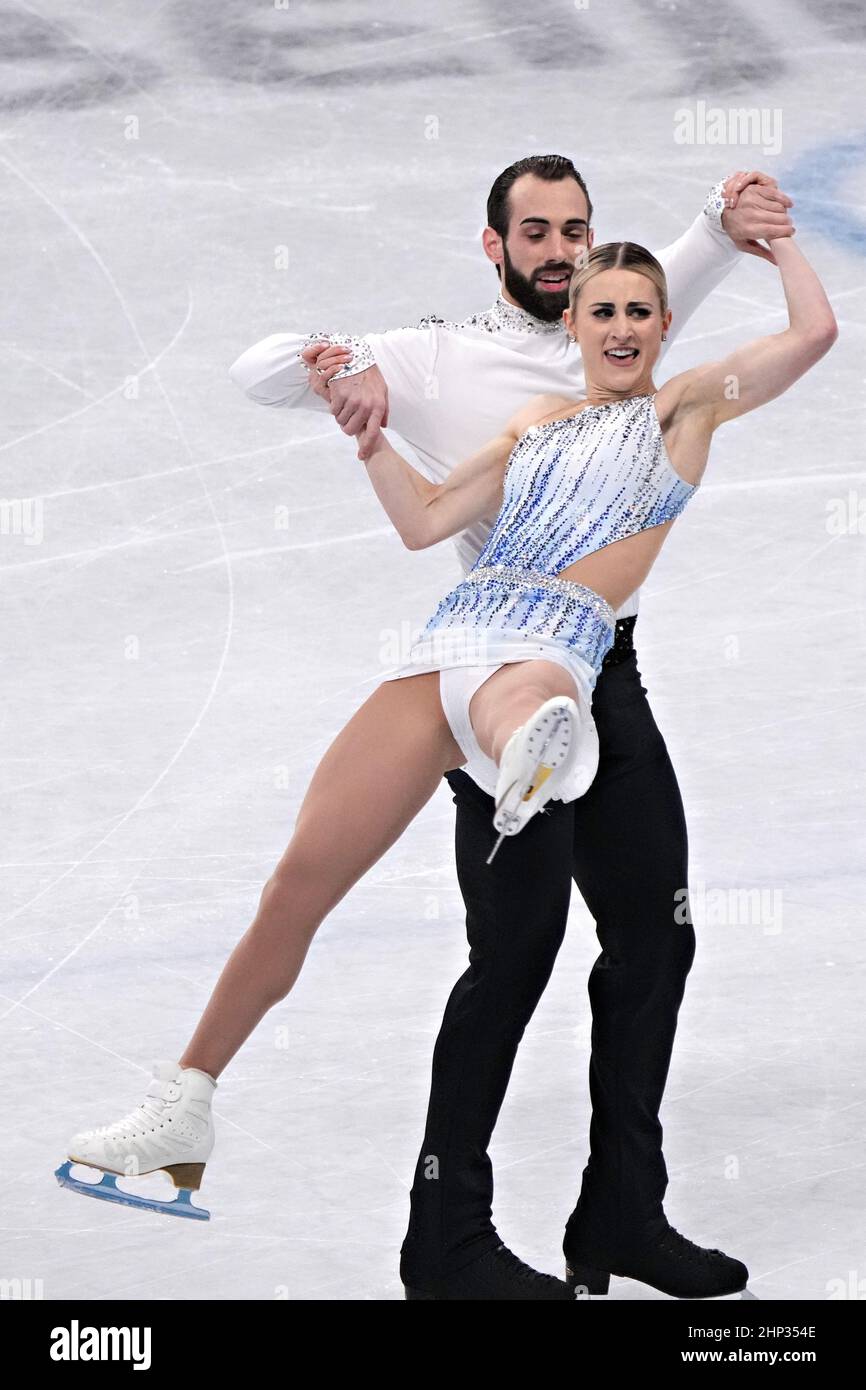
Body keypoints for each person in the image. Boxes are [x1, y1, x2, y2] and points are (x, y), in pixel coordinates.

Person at [55, 159, 810, 1303]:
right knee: (321, 889)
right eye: (542, 239)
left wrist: (744, 225)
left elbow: (766, 309)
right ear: (493, 243)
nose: (575, 273)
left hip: (581, 661)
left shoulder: (667, 386)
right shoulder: (483, 387)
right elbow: (393, 495)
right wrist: (354, 402)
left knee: (653, 934)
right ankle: (194, 1108)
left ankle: (619, 1209)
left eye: (589, 248)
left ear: (651, 310)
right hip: (458, 645)